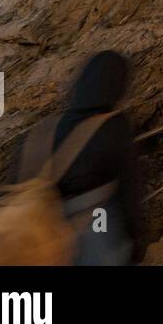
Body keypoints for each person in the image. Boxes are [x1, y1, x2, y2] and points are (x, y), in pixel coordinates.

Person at [16, 51, 144, 265]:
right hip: (96, 229)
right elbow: (130, 190)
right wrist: (138, 240)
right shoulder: (114, 127)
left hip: (46, 235)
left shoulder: (46, 128)